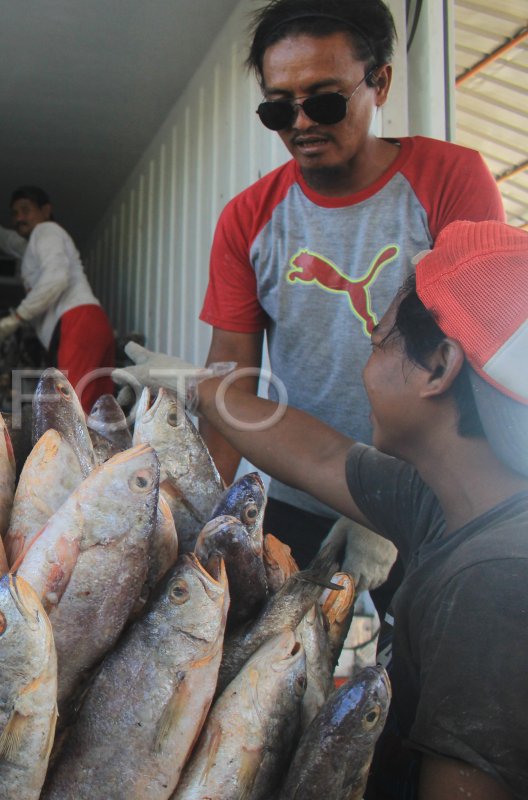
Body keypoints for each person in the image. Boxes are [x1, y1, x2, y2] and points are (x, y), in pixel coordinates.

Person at [117, 219, 528, 799]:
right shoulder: (456, 500)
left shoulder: (494, 586)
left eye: (378, 342)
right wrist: (196, 385)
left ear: (439, 366)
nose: (366, 367)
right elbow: (323, 455)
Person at [195, 0, 505, 579]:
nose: (303, 123)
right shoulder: (248, 219)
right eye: (278, 108)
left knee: (414, 662)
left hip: (428, 495)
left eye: (325, 100)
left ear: (379, 83)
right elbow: (228, 387)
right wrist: (192, 507)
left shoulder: (450, 182)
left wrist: (393, 497)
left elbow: (476, 360)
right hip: (296, 491)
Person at [0, 185, 116, 413]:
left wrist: (16, 318)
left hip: (76, 322)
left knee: (72, 411)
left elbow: (57, 278)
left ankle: (76, 449)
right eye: (15, 213)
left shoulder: (46, 231)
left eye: (25, 210)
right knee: (97, 411)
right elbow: (12, 242)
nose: (19, 217)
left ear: (46, 210)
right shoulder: (34, 244)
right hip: (90, 324)